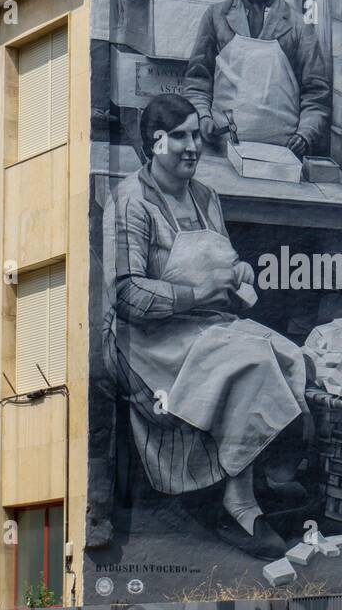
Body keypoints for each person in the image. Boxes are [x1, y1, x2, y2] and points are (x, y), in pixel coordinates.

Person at [102, 93, 309, 560]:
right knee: (252, 362)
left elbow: (223, 259)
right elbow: (126, 294)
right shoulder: (130, 203)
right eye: (180, 137)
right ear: (154, 144)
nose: (192, 146)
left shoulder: (205, 197)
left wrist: (240, 274)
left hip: (206, 325)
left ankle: (266, 470)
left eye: (196, 134)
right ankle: (237, 502)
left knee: (289, 353)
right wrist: (197, 295)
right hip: (149, 341)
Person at [184, 0, 330, 156]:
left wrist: (305, 135)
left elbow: (316, 96)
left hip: (280, 154)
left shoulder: (300, 27)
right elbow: (197, 82)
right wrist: (203, 116)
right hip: (220, 150)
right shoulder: (216, 16)